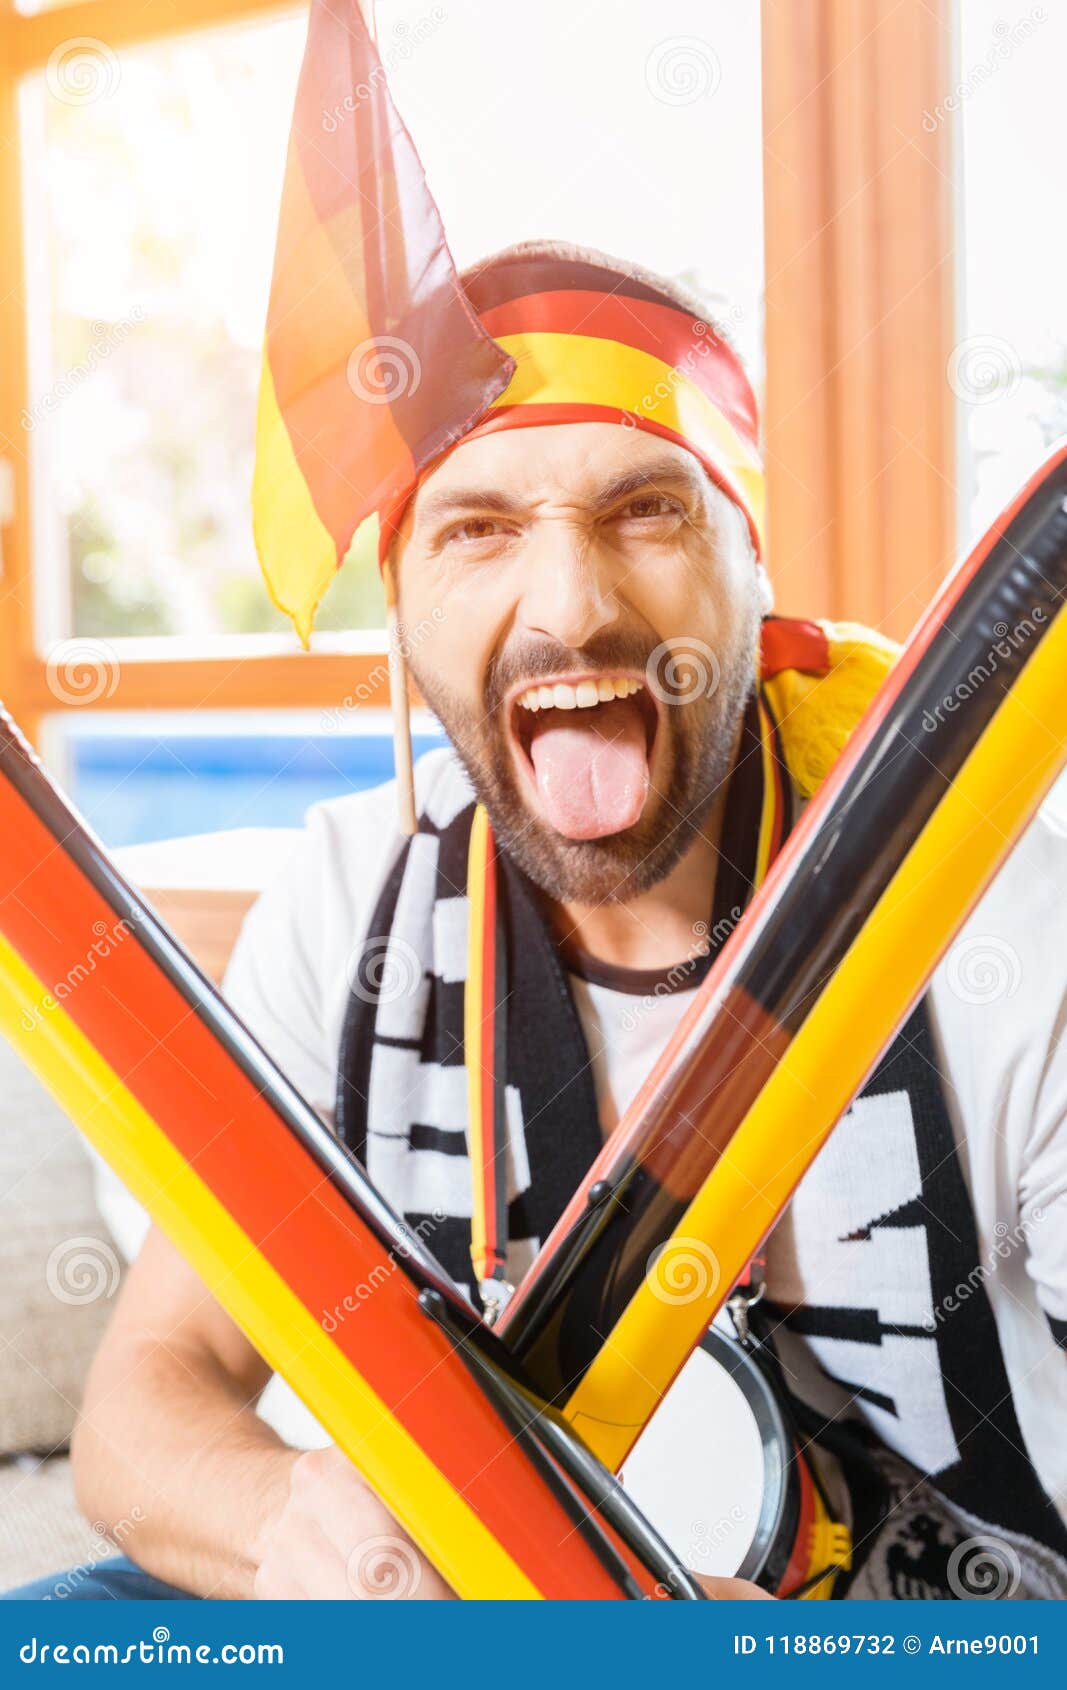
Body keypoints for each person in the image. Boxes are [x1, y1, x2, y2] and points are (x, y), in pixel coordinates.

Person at [6, 243, 1066, 1604]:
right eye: (477, 529)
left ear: (754, 567)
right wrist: (317, 1533)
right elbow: (149, 1401)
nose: (572, 607)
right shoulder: (353, 896)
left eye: (646, 512)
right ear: (400, 606)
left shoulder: (1000, 923)